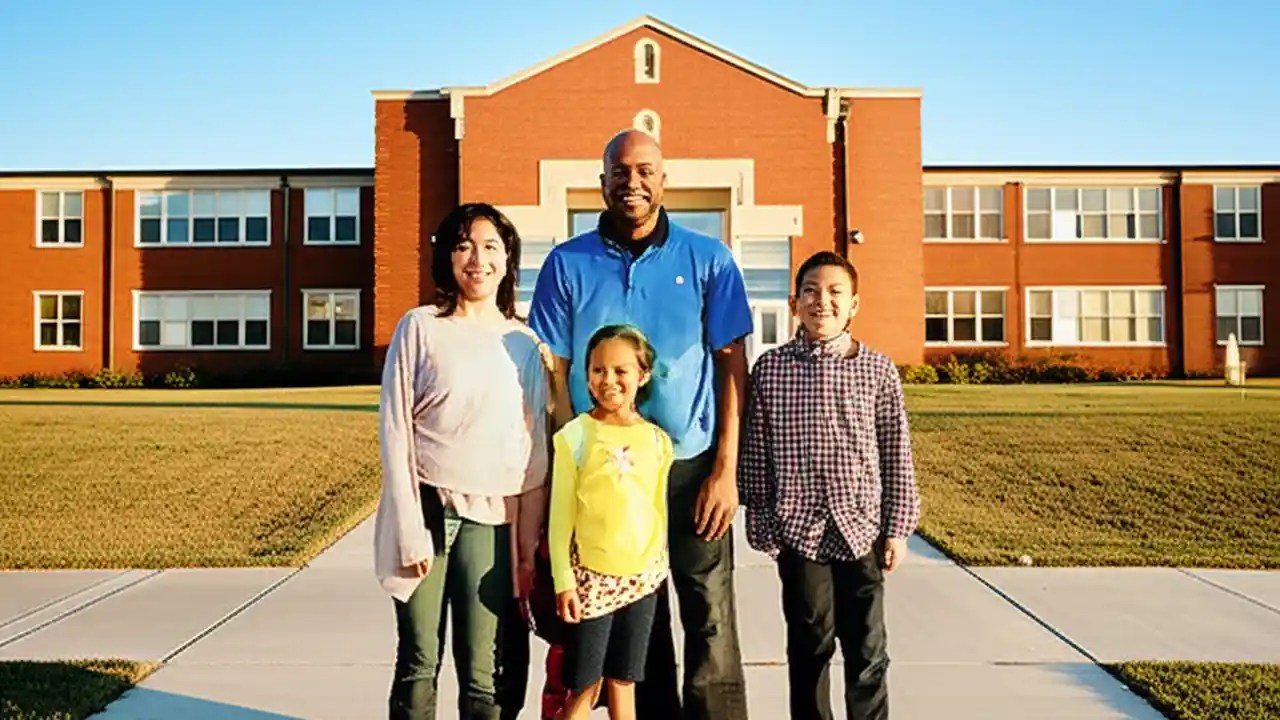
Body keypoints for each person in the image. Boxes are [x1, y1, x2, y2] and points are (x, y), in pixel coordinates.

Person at [529, 128, 753, 720]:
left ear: (663, 179)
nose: (633, 182)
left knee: (709, 614)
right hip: (607, 478)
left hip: (690, 467)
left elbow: (733, 364)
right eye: (620, 171)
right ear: (602, 180)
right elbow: (555, 373)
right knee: (637, 625)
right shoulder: (565, 264)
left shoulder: (709, 259)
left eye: (645, 170)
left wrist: (726, 470)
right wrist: (566, 469)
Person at [374, 202, 552, 720]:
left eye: (491, 246)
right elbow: (395, 432)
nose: (478, 259)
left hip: (492, 523)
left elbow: (532, 454)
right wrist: (408, 527)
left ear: (508, 258)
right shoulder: (421, 327)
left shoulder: (525, 342)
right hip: (426, 513)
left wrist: (524, 551)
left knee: (483, 673)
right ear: (447, 258)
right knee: (418, 661)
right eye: (463, 245)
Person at [738, 250, 921, 720]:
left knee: (867, 651)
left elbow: (895, 451)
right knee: (809, 646)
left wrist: (897, 528)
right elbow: (756, 451)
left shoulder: (877, 370)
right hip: (800, 532)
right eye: (812, 292)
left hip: (860, 528)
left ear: (854, 304)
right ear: (794, 302)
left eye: (836, 292)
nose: (823, 301)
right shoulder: (772, 370)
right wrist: (761, 518)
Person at [548, 324, 674, 720]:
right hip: (591, 580)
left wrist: (657, 568)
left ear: (643, 375)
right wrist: (563, 580)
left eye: (621, 371)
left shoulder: (657, 441)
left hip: (641, 580)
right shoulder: (576, 437)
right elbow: (560, 517)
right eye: (599, 370)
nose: (609, 380)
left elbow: (657, 511)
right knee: (585, 683)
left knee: (625, 680)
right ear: (586, 375)